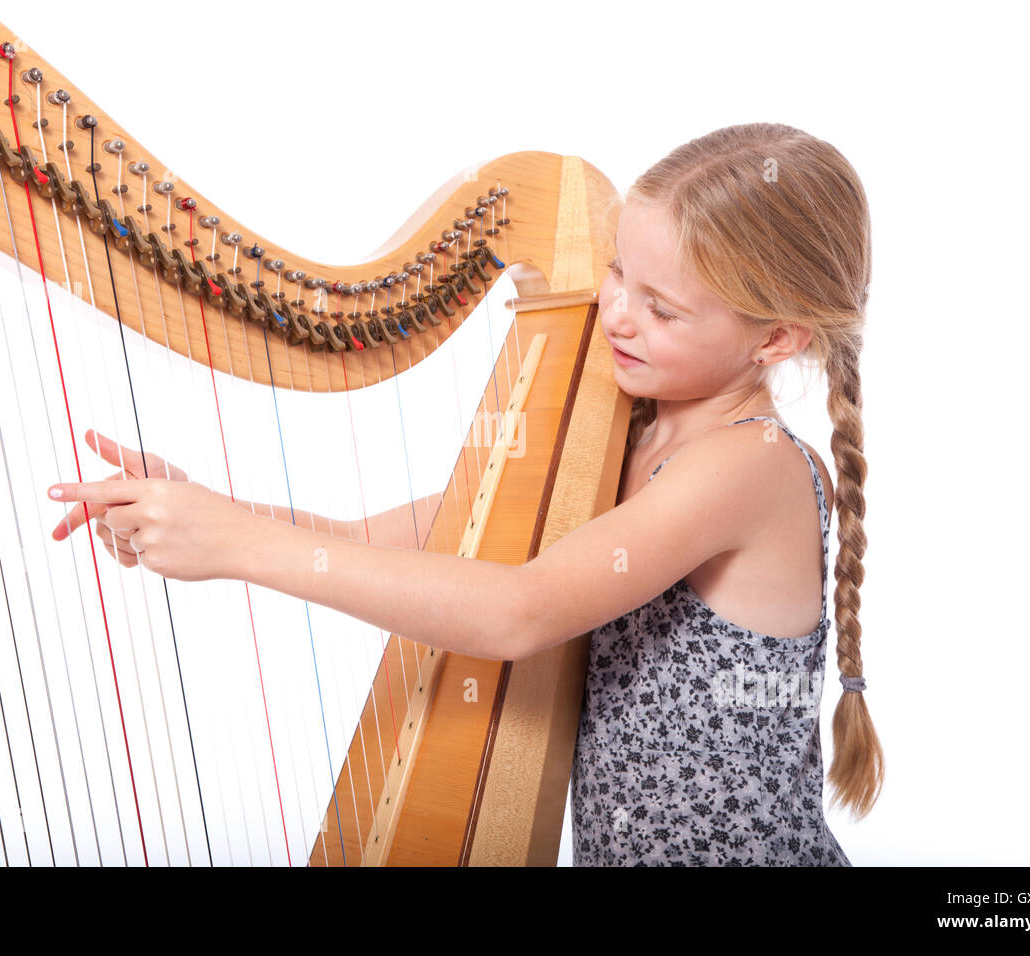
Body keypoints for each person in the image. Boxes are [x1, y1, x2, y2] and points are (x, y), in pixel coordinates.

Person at [48, 122, 884, 866]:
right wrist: (208, 511)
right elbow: (376, 535)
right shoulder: (626, 428)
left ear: (776, 339)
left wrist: (236, 548)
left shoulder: (752, 465)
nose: (617, 315)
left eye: (660, 309)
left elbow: (517, 611)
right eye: (618, 273)